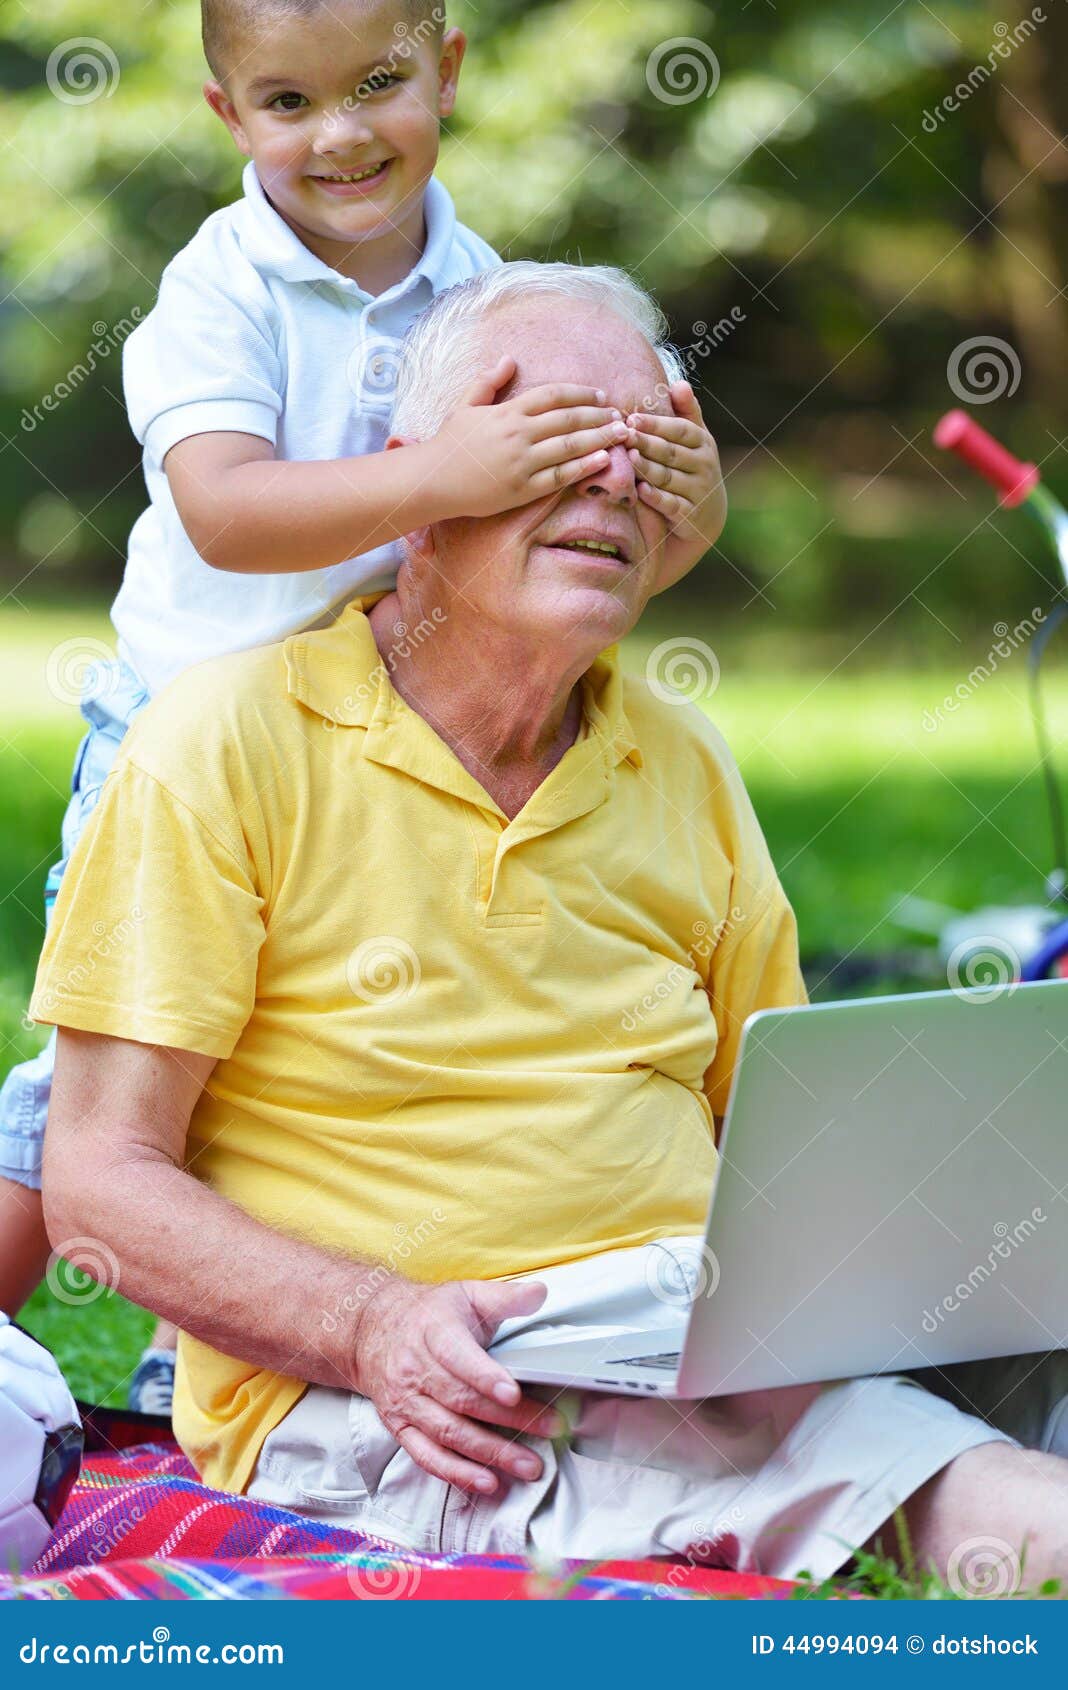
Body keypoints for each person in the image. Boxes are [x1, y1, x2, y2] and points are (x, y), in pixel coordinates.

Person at [30, 263, 1068, 1585]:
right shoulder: (227, 741)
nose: (612, 482)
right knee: (999, 1509)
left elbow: (785, 1141)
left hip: (692, 1331)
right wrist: (370, 1324)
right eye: (554, 438)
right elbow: (98, 1180)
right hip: (440, 1395)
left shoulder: (680, 762)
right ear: (420, 482)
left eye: (648, 449)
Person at [0, 0, 727, 1416]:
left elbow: (578, 528)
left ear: (448, 73)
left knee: (318, 1048)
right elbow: (223, 510)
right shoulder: (223, 291)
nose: (338, 135)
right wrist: (447, 472)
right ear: (228, 117)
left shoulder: (488, 287)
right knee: (97, 1086)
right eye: (286, 103)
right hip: (184, 732)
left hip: (382, 737)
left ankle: (202, 1346)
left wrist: (684, 509)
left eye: (378, 84)